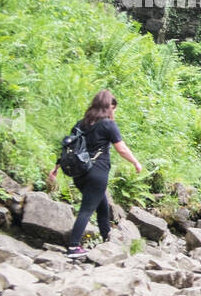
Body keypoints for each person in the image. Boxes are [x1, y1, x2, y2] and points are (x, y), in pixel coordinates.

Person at [46, 89, 142, 257]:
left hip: (79, 174)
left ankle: (107, 240)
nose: (114, 112)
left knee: (103, 206)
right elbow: (121, 148)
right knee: (87, 209)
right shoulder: (108, 124)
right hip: (96, 173)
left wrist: (56, 167)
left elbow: (68, 148)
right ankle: (74, 247)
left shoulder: (80, 124)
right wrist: (135, 162)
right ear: (110, 106)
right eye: (114, 108)